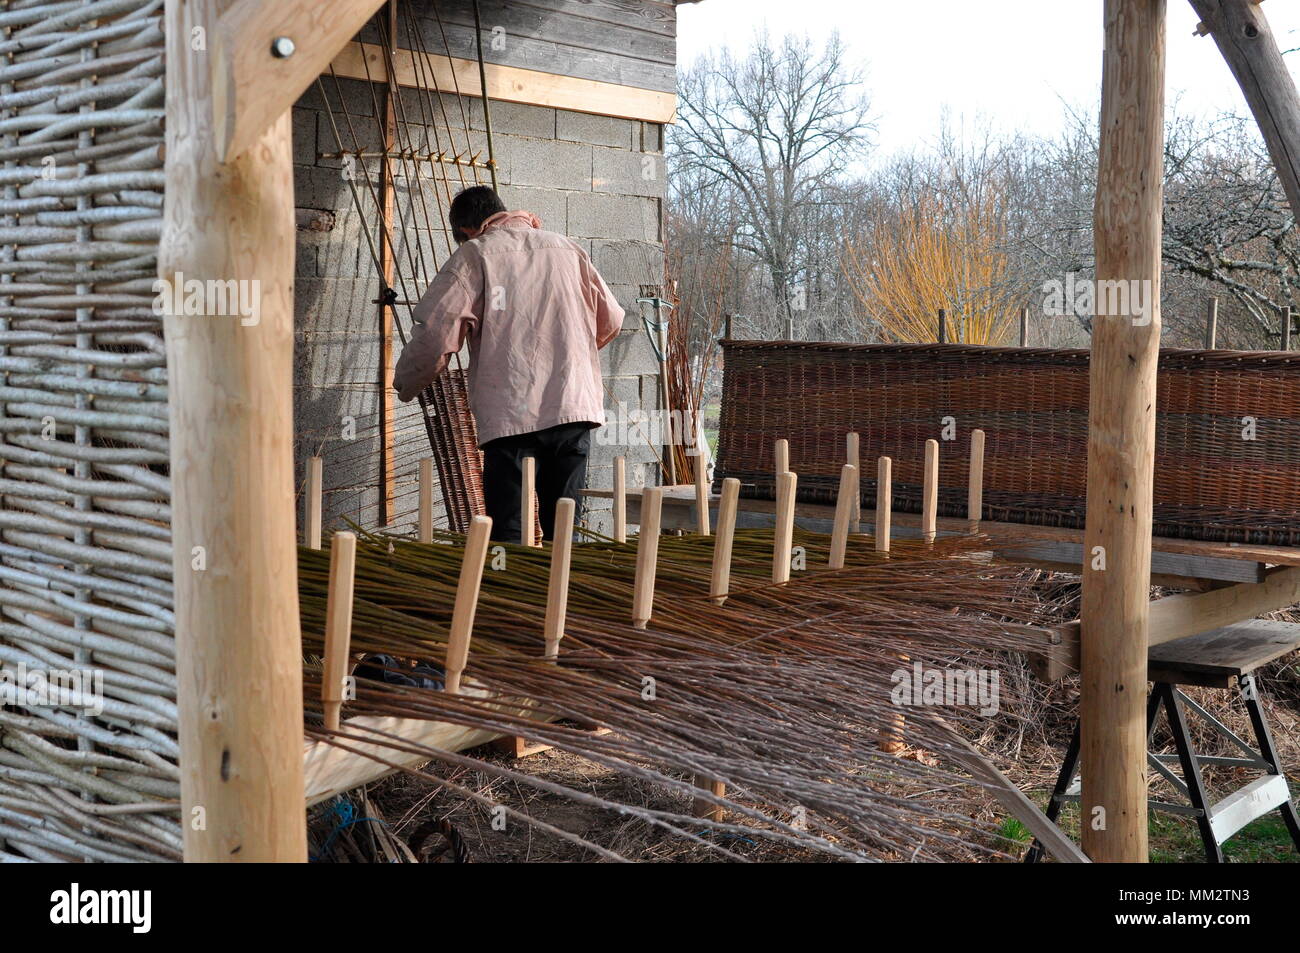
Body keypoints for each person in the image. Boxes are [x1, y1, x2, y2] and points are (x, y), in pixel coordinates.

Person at [392, 186, 624, 542]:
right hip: (572, 409)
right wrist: (568, 352)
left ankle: (513, 593)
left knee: (509, 534)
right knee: (565, 532)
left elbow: (437, 336)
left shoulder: (475, 255)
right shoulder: (568, 249)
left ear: (467, 230)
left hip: (511, 416)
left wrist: (406, 383)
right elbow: (611, 320)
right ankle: (565, 594)